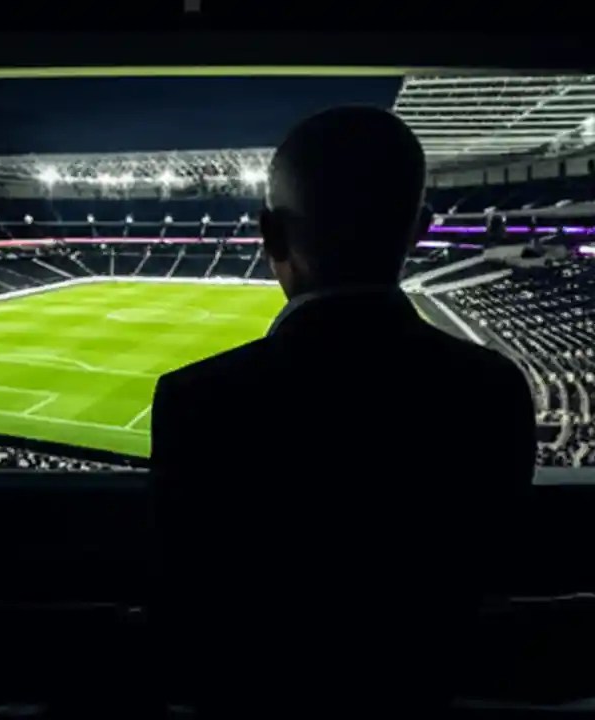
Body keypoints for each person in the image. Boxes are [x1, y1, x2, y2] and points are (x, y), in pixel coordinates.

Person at [148, 107, 537, 715]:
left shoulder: (197, 400)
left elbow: (183, 616)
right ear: (420, 230)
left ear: (269, 234)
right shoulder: (494, 390)